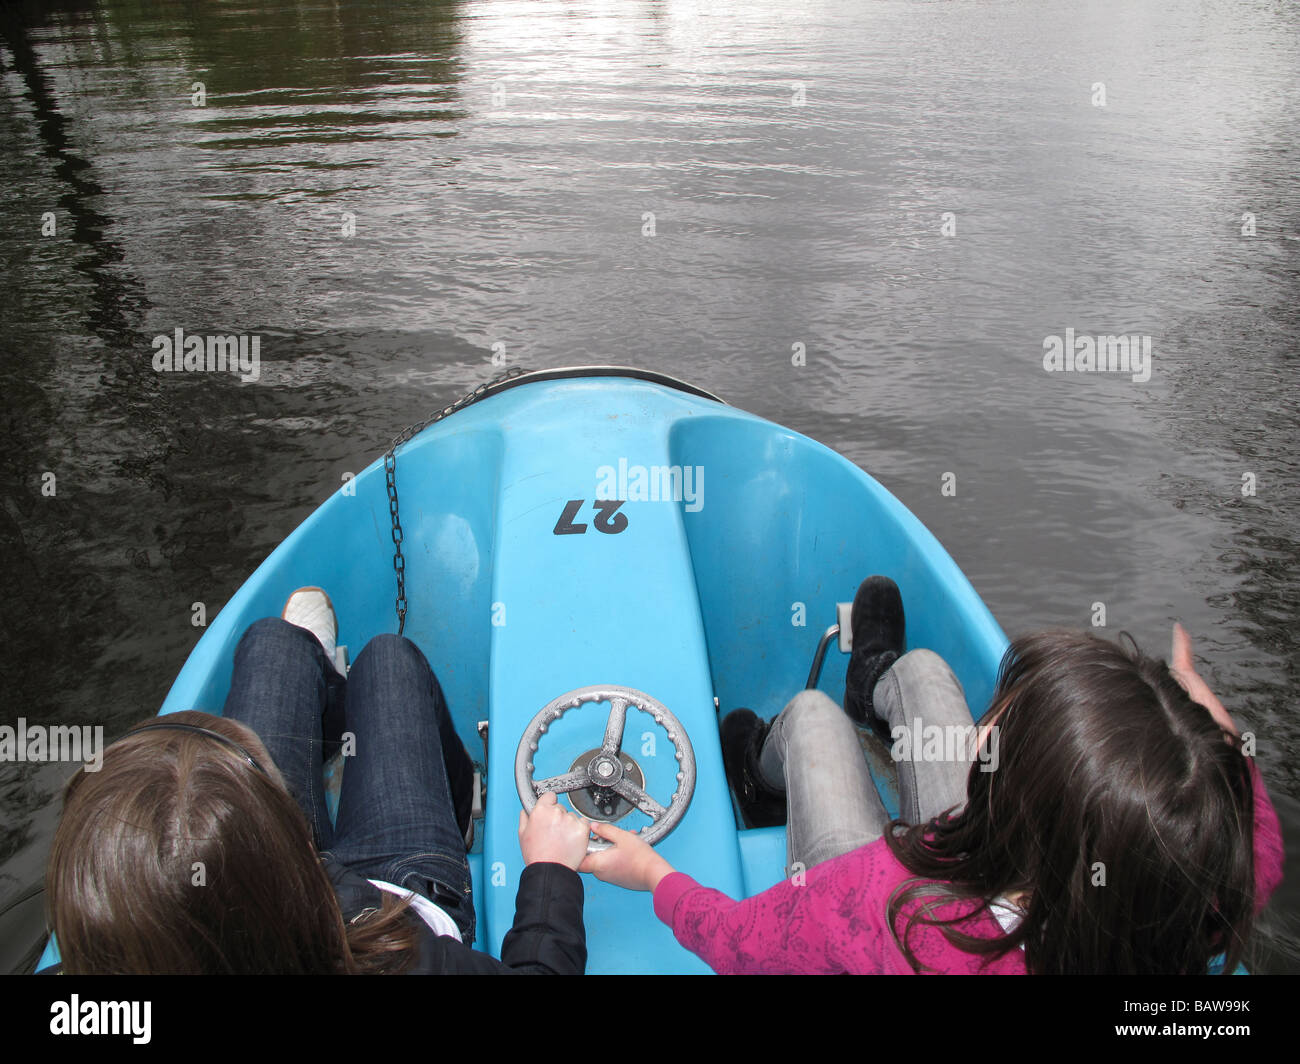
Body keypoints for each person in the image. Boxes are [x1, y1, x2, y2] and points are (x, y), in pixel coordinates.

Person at [580, 577, 1285, 974]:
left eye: (996, 733)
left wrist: (654, 878)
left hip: (923, 888)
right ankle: (879, 679)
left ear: (1015, 806)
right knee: (924, 673)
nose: (980, 732)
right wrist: (1199, 721)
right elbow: (1237, 811)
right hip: (1002, 872)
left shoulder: (892, 917)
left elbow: (742, 944)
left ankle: (758, 776)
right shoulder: (1205, 884)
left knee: (813, 718)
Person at [46, 588, 592, 974]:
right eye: (268, 792)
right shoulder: (403, 963)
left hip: (288, 889)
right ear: (289, 854)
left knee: (272, 641)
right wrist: (549, 873)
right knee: (388, 659)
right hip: (392, 910)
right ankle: (452, 798)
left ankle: (314, 676)